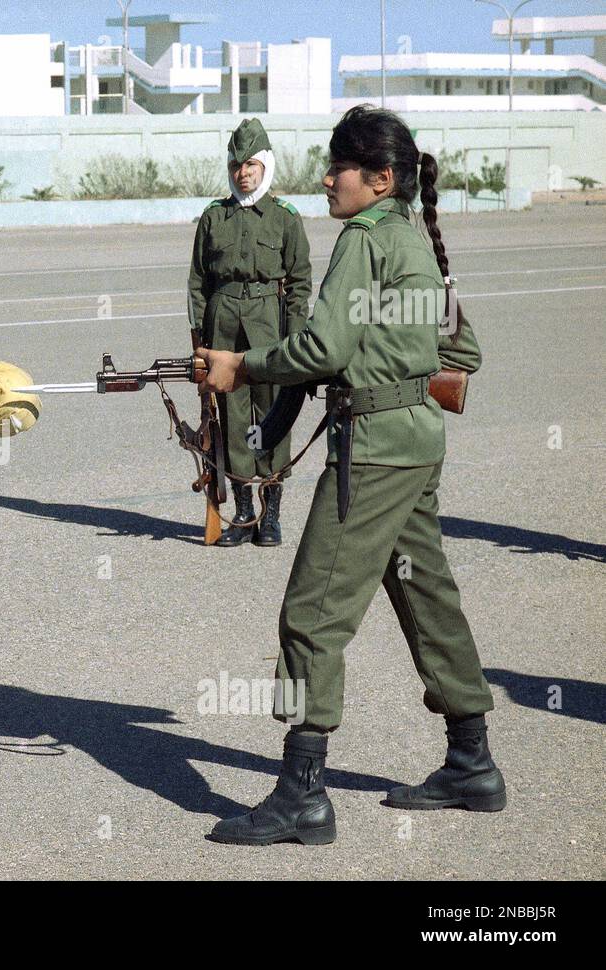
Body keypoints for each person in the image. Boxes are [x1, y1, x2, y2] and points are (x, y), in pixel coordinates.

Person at [196, 105, 501, 846]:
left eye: (339, 167)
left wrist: (244, 367)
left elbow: (324, 347)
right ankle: (472, 761)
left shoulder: (364, 240)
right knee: (426, 597)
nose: (327, 179)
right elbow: (462, 350)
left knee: (312, 614)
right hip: (414, 446)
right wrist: (400, 373)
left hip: (371, 455)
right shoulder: (414, 238)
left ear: (381, 178)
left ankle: (302, 794)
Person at [188, 118, 312, 546]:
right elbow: (198, 281)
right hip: (222, 326)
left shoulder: (285, 218)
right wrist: (199, 341)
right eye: (236, 165)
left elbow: (299, 284)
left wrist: (295, 339)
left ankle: (270, 513)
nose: (243, 173)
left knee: (273, 413)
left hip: (269, 327)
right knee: (232, 415)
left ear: (265, 166)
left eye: (251, 165)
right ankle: (242, 514)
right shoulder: (213, 217)